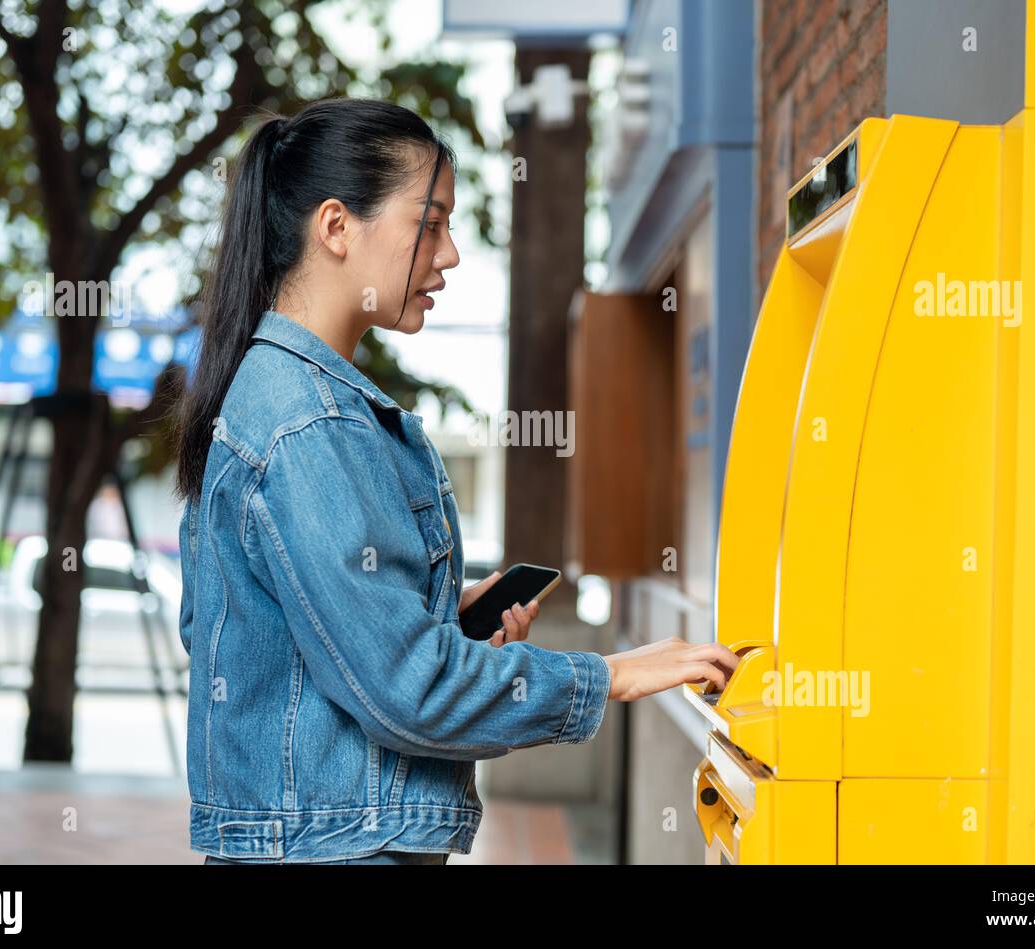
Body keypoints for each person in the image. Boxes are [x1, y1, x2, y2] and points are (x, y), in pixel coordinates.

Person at [173, 96, 740, 865]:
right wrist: (609, 676)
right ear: (336, 227)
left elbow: (279, 642)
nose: (450, 254)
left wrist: (442, 615)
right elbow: (407, 690)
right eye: (428, 223)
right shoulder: (308, 423)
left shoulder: (286, 400)